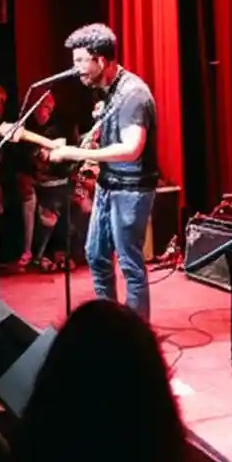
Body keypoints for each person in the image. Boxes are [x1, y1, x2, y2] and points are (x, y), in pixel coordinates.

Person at [43, 23, 158, 321]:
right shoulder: (106, 91)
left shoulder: (134, 94)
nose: (75, 68)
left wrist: (77, 153)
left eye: (81, 61)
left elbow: (132, 148)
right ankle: (111, 326)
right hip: (110, 184)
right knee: (95, 255)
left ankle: (135, 336)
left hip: (131, 188)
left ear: (101, 60)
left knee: (130, 264)